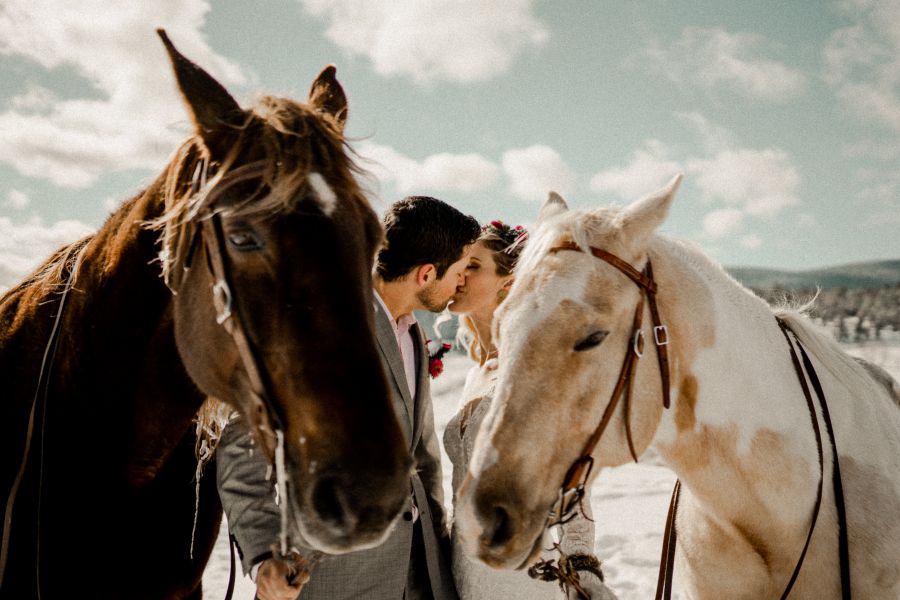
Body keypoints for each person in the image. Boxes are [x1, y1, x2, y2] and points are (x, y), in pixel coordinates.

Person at [216, 195, 480, 600]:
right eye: (460, 271)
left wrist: (435, 549)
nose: (462, 282)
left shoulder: (413, 333)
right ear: (427, 274)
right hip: (330, 578)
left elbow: (421, 457)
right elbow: (241, 452)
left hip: (420, 573)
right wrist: (264, 557)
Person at [442, 220, 617, 600]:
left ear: (508, 283)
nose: (458, 276)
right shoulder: (476, 372)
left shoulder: (534, 370)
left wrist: (581, 562)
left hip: (519, 575)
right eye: (460, 265)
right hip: (460, 569)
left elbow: (572, 479)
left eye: (473, 266)